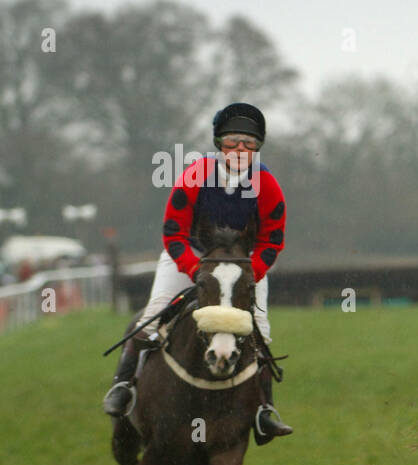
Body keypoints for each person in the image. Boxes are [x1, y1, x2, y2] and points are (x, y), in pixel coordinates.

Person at [102, 102, 292, 443]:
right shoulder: (194, 175)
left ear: (258, 148)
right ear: (219, 143)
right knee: (153, 316)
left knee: (260, 330)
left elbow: (272, 240)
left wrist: (253, 273)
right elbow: (173, 231)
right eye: (233, 141)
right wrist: (193, 269)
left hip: (243, 266)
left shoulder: (268, 185)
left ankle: (265, 411)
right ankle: (123, 386)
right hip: (190, 256)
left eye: (249, 144)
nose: (240, 150)